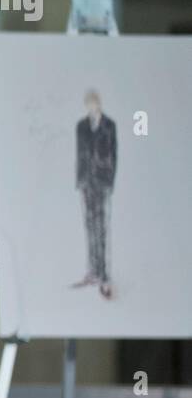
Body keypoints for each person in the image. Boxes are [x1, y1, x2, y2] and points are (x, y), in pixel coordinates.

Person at [73, 89, 117, 299]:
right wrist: (79, 181)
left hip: (102, 182)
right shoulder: (81, 126)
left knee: (102, 227)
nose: (91, 107)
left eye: (94, 103)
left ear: (99, 104)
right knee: (89, 226)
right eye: (88, 103)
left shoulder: (109, 125)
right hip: (86, 183)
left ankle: (104, 272)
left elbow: (113, 155)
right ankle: (93, 270)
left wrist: (109, 182)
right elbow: (79, 155)